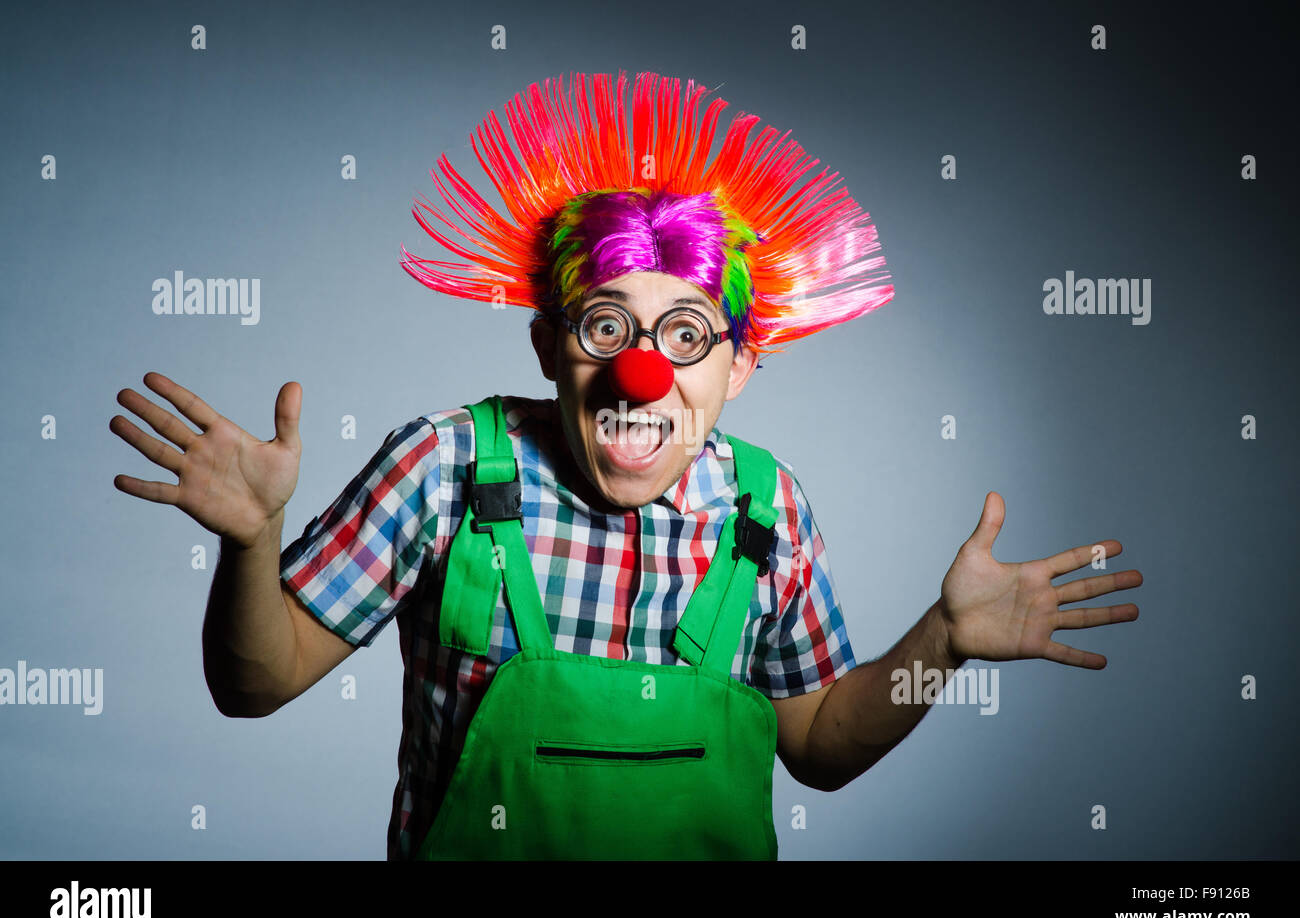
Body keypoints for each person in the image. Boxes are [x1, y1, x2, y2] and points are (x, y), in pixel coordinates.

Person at [110, 71, 1143, 861]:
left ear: (737, 367)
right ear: (549, 346)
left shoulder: (764, 506)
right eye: (606, 325)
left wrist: (945, 643)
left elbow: (821, 749)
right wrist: (252, 546)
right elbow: (254, 688)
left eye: (685, 335)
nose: (640, 373)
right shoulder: (444, 465)